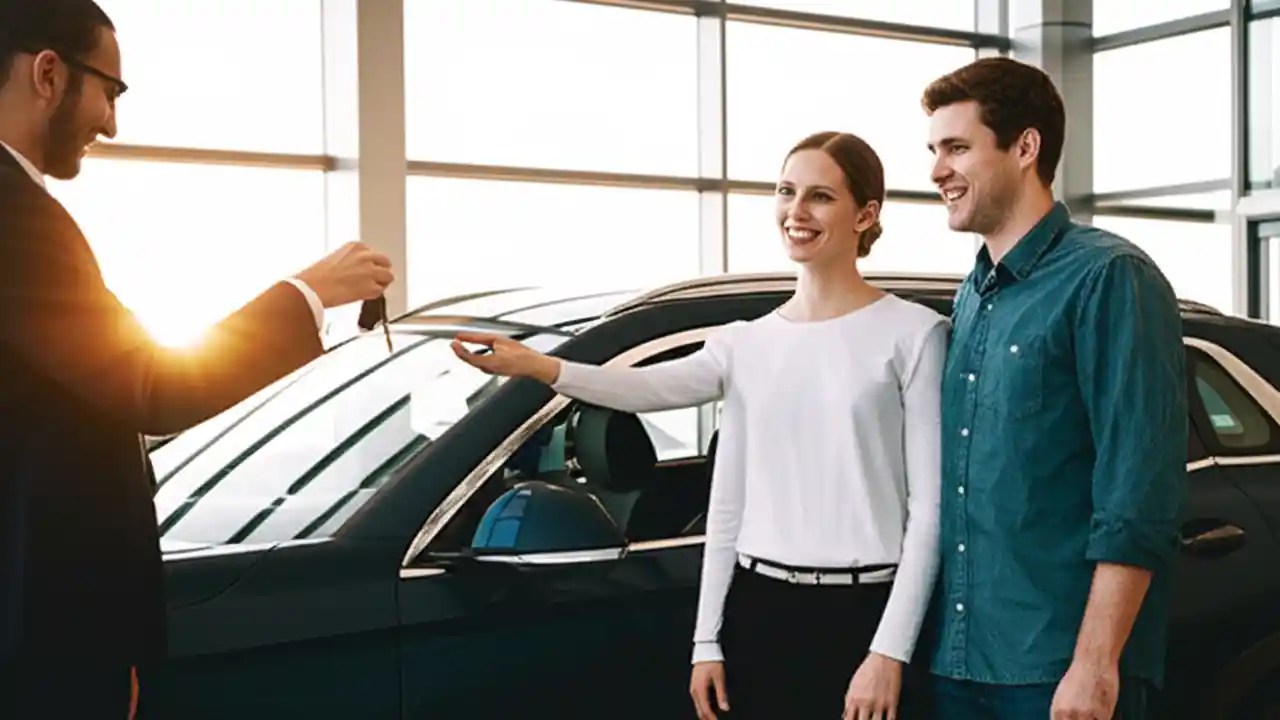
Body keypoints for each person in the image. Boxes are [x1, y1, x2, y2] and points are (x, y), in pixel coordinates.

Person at [451, 130, 947, 720]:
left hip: (867, 612)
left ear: (866, 214)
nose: (796, 211)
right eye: (787, 192)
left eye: (820, 196)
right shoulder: (747, 344)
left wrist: (888, 652)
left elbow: (930, 513)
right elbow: (701, 470)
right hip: (759, 610)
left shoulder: (914, 335)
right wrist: (707, 641)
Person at [0, 1, 395, 717]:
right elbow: (149, 383)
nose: (112, 125)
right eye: (110, 91)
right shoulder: (16, 215)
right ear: (49, 75)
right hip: (40, 632)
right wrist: (308, 294)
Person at [917, 56, 1188, 720]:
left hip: (1056, 673)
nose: (935, 171)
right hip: (959, 664)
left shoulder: (1110, 278)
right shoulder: (973, 293)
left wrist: (1094, 666)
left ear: (1025, 148)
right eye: (932, 150)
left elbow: (1138, 494)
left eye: (956, 147)